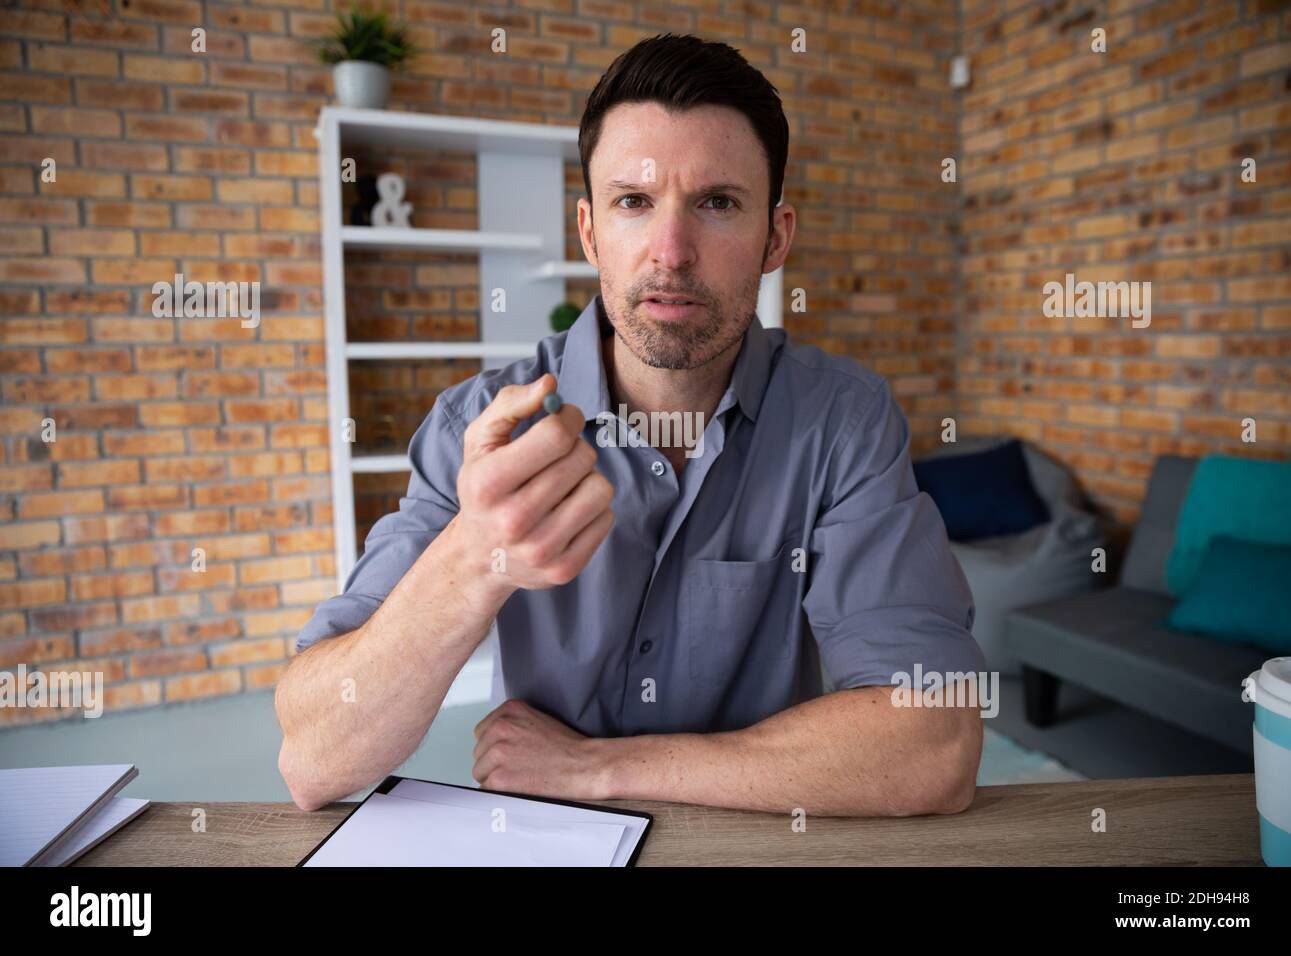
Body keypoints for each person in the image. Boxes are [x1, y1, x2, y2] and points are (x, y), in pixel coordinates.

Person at [277, 33, 985, 817]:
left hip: (753, 836)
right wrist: (475, 558)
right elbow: (314, 759)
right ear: (589, 231)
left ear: (775, 237)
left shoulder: (842, 422)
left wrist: (597, 769)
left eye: (717, 203)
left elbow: (937, 743)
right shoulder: (480, 428)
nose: (671, 252)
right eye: (633, 202)